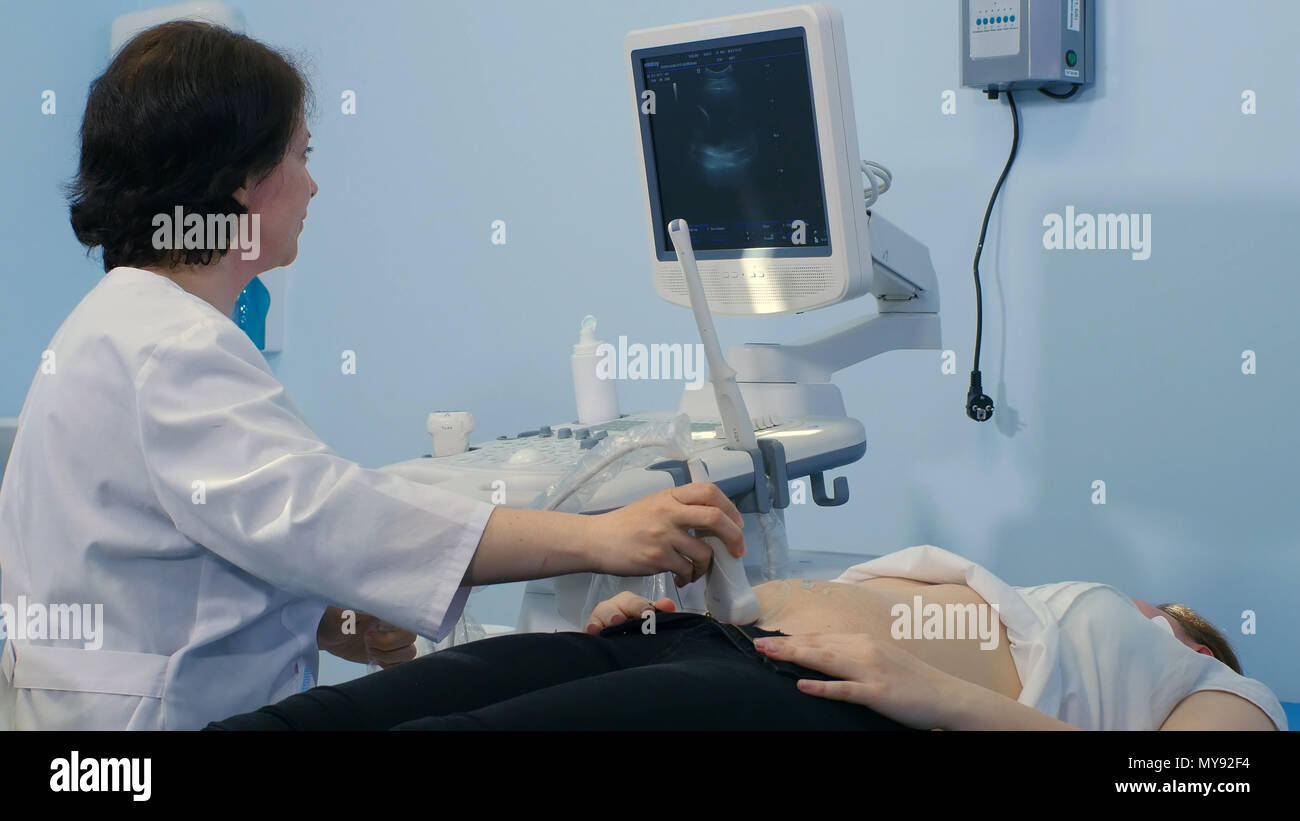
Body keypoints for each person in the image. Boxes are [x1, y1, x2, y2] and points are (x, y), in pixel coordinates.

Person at [0, 21, 745, 731]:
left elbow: (202, 551)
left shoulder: (120, 325)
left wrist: (327, 621)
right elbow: (330, 518)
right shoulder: (167, 346)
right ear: (240, 181)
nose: (314, 186)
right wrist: (601, 537)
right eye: (301, 155)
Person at [207, 545, 1287, 731]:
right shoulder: (1033, 592)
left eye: (1177, 610)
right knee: (343, 714)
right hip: (707, 642)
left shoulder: (1209, 682)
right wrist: (697, 620)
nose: (1159, 604)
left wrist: (931, 691)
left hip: (829, 704)